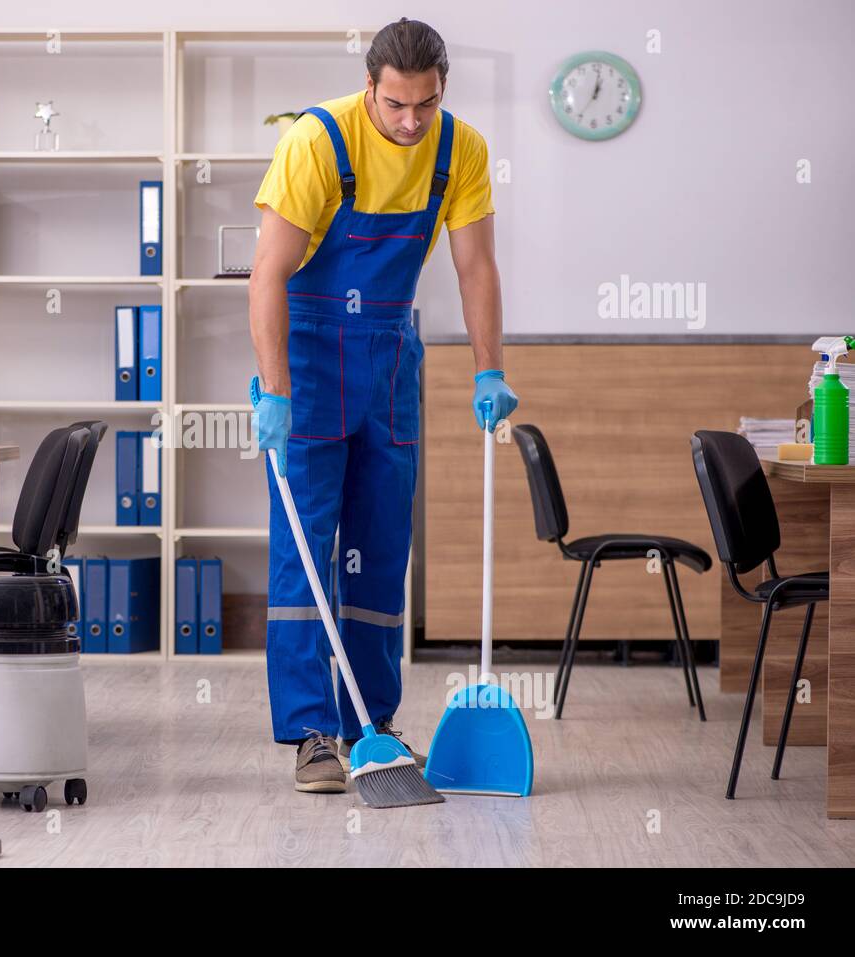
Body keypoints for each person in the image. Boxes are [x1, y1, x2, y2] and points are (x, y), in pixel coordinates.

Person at [248, 18, 517, 793]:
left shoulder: (458, 148)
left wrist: (488, 372)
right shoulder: (316, 141)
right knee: (306, 552)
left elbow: (476, 266)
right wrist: (273, 390)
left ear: (441, 92)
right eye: (396, 104)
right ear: (371, 85)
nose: (409, 122)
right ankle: (311, 733)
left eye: (424, 105)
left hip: (391, 355)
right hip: (307, 354)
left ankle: (373, 718)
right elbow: (268, 273)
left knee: (379, 550)